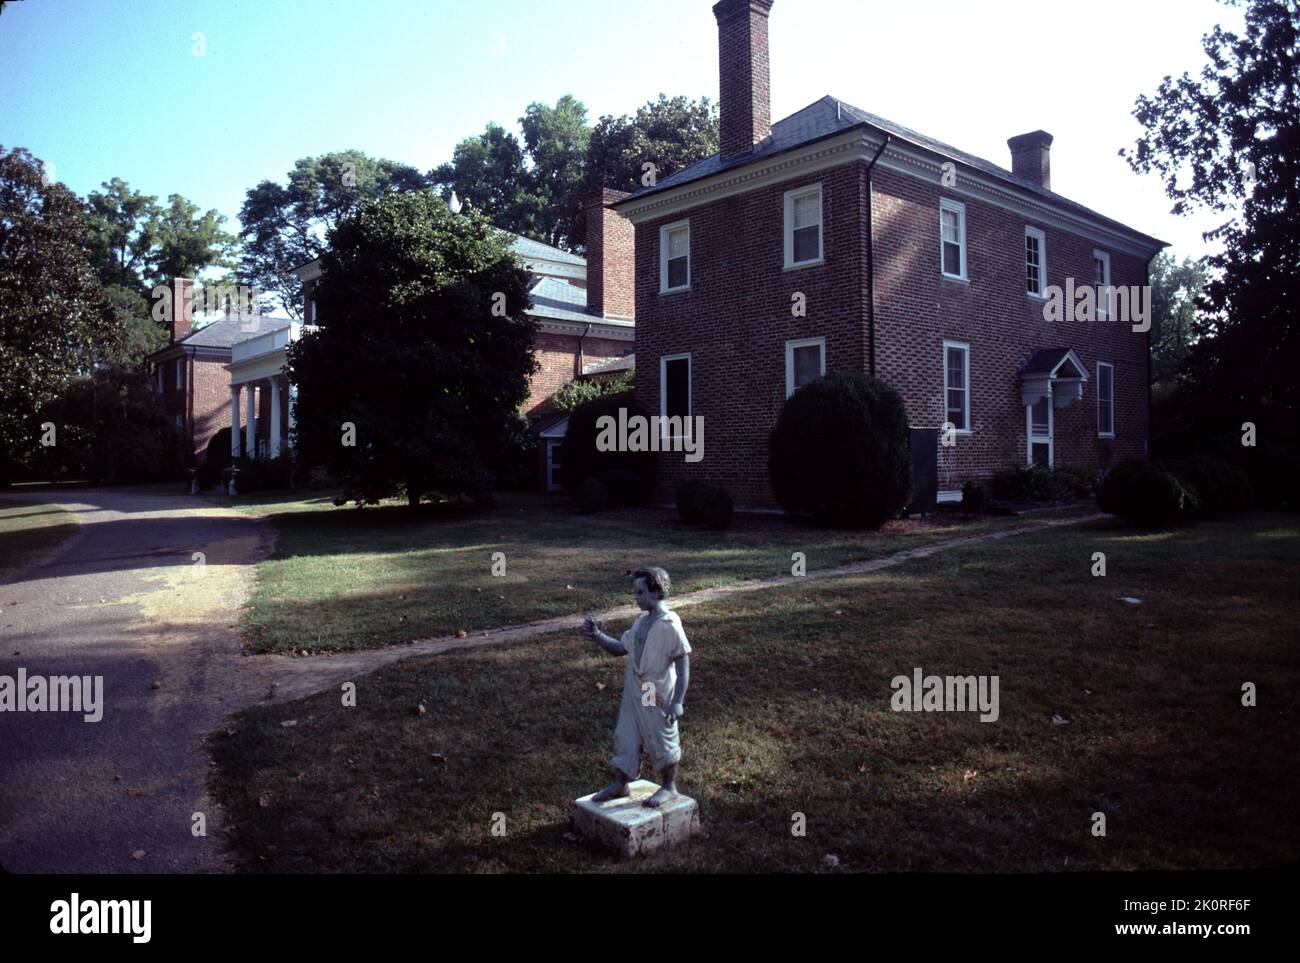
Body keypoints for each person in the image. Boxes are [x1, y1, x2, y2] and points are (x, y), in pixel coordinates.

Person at [582, 566, 691, 808]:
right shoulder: (640, 623)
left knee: (659, 735)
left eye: (641, 592)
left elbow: (683, 666)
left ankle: (669, 786)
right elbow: (621, 649)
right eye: (636, 592)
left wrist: (677, 701)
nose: (636, 598)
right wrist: (598, 635)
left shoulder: (670, 624)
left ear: (657, 591)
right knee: (626, 735)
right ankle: (621, 782)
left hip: (654, 692)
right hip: (633, 690)